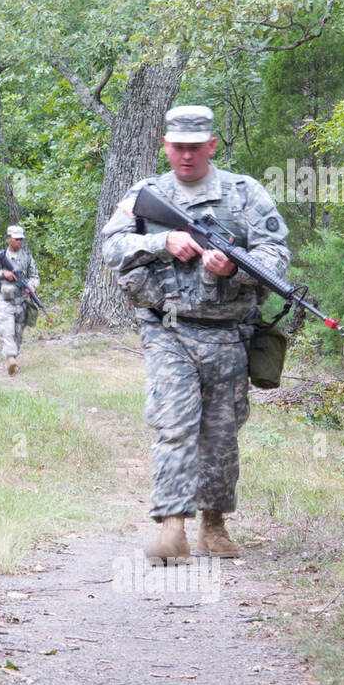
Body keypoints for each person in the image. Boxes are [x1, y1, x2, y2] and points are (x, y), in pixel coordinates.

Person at [101, 105, 291, 565]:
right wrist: (160, 241)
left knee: (222, 433)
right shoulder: (145, 194)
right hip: (170, 329)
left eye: (195, 148)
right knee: (175, 424)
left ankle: (213, 523)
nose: (185, 157)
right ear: (165, 146)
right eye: (177, 148)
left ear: (211, 146)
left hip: (229, 334)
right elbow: (112, 246)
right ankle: (171, 527)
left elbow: (277, 253)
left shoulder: (245, 193)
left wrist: (238, 267)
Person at [0, 225, 40, 375]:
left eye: (20, 239)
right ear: (8, 238)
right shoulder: (0, 256)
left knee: (18, 333)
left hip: (23, 300)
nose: (19, 241)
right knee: (7, 330)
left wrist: (32, 286)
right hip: (6, 299)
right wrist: (3, 273)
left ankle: (13, 357)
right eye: (16, 238)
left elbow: (35, 276)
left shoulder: (27, 256)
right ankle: (10, 357)